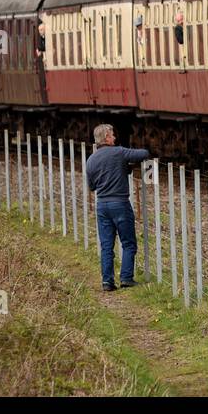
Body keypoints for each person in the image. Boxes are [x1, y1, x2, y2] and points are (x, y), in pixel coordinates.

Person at [84, 123, 150, 292]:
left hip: (102, 206)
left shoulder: (91, 159)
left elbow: (91, 186)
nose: (114, 138)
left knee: (106, 246)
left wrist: (121, 169)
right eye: (112, 135)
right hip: (120, 204)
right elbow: (143, 154)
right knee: (128, 243)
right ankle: (126, 278)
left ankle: (107, 282)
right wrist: (125, 166)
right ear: (106, 137)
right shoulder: (119, 152)